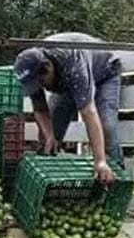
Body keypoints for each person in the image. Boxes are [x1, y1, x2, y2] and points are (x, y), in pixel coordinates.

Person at [13, 32, 123, 183]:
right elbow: (40, 109)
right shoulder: (32, 67)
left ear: (48, 66)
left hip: (105, 72)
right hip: (67, 82)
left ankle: (116, 178)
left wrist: (100, 161)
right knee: (47, 138)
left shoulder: (74, 63)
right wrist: (50, 136)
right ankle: (50, 184)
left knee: (107, 127)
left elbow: (88, 112)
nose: (40, 87)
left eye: (41, 82)